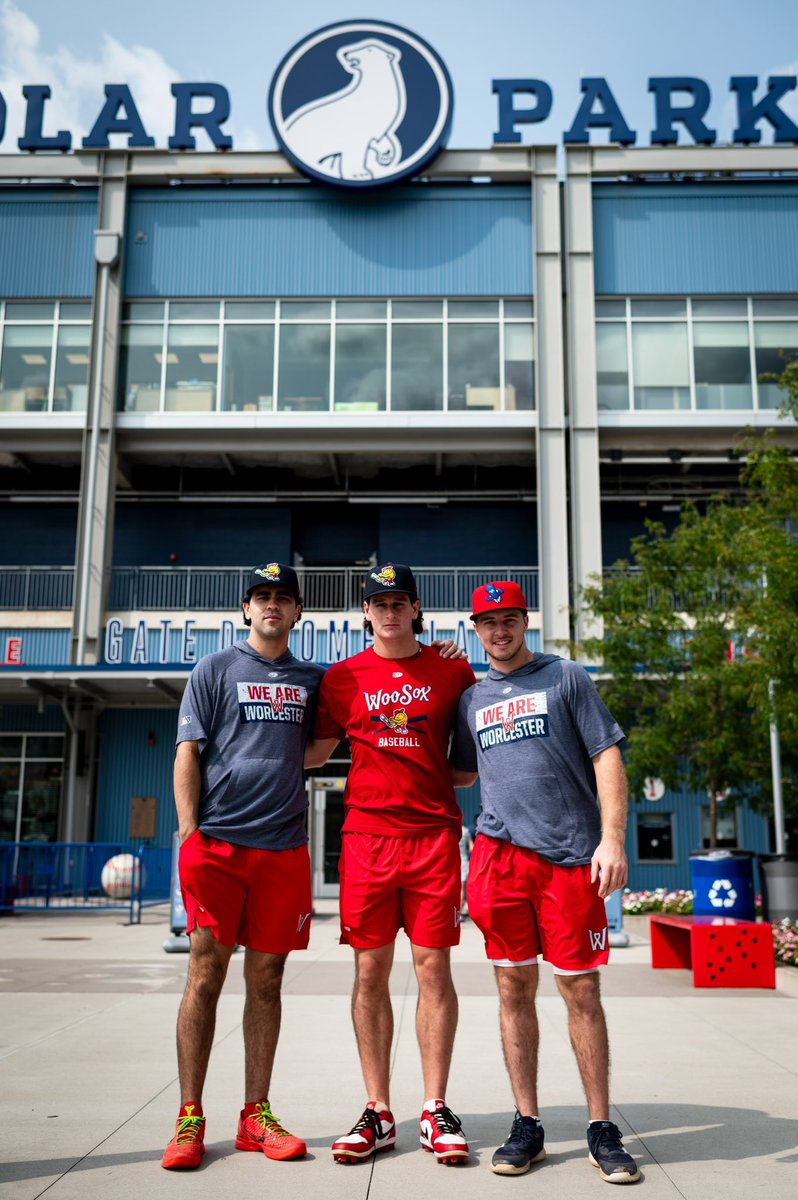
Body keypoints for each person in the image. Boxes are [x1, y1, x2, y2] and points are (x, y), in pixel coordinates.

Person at [450, 580, 641, 1185]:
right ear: (476, 630)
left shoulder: (566, 678)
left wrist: (612, 839)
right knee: (512, 989)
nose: (499, 631)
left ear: (524, 622)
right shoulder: (471, 697)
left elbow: (607, 756)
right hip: (499, 859)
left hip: (568, 857)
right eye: (488, 622)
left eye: (508, 619)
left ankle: (601, 1127)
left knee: (580, 991)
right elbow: (458, 773)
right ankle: (527, 1123)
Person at [306, 562, 476, 1167]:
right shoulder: (342, 678)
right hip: (367, 840)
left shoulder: (454, 670)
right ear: (366, 611)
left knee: (434, 970)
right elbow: (312, 753)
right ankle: (378, 1111)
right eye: (380, 603)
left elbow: (466, 769)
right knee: (369, 972)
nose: (390, 611)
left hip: (432, 838)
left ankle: (434, 1108)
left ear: (416, 608)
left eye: (399, 601)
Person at [161, 562, 324, 1171]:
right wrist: (189, 835)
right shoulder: (215, 669)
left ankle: (256, 1115)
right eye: (262, 596)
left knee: (268, 980)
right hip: (218, 846)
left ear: (298, 611)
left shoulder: (313, 679)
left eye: (283, 597)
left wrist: (440, 653)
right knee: (205, 974)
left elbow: (319, 747)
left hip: (282, 848)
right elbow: (188, 752)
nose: (272, 604)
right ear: (246, 609)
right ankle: (189, 1116)